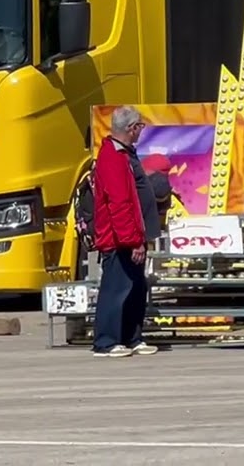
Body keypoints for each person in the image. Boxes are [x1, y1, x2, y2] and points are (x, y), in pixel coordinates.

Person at [91, 106, 159, 358]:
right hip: (121, 239)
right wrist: (133, 242)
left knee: (135, 288)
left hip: (133, 236)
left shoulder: (126, 154)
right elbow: (119, 203)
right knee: (116, 289)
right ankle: (106, 341)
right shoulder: (113, 157)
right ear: (132, 129)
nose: (141, 130)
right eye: (140, 126)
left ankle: (132, 337)